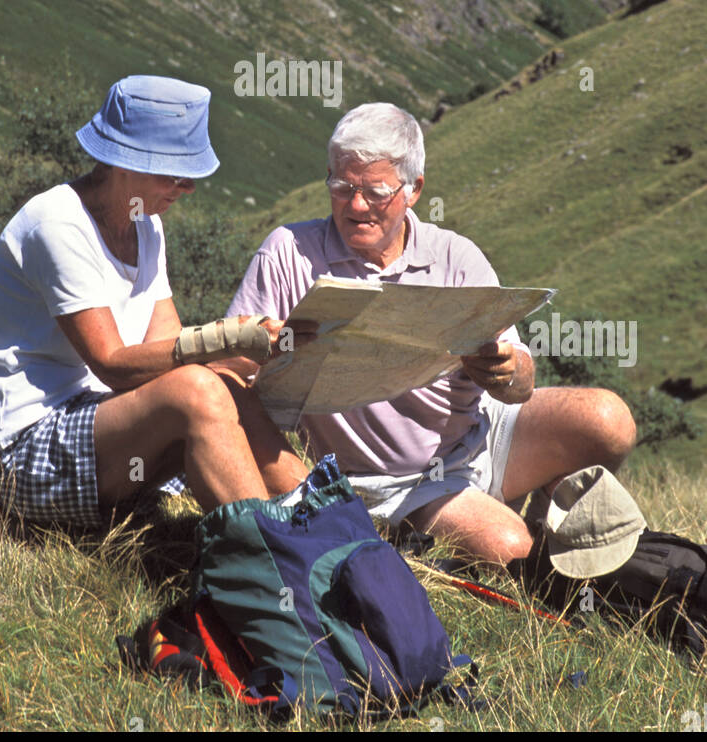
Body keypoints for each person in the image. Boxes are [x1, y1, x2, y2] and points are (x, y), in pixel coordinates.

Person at [229, 102, 637, 566]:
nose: (356, 206)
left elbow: (522, 383)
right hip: (395, 483)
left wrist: (506, 368)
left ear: (414, 190)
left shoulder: (455, 256)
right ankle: (455, 536)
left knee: (609, 420)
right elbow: (231, 376)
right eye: (341, 187)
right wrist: (270, 348)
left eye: (375, 192)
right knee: (510, 551)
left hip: (478, 437)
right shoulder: (288, 253)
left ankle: (548, 526)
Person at [0, 75, 308, 527]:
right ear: (122, 162)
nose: (187, 189)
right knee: (199, 387)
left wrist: (243, 353)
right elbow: (112, 362)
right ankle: (278, 556)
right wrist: (227, 339)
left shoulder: (145, 224)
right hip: (24, 453)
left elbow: (167, 343)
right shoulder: (57, 225)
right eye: (175, 175)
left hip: (100, 424)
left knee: (222, 381)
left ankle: (323, 522)